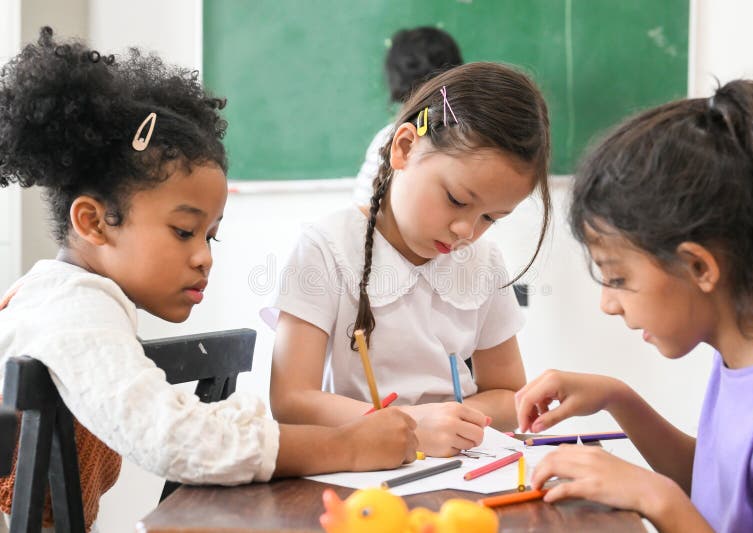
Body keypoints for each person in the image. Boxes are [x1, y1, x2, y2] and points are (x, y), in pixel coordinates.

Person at [0, 27, 417, 532]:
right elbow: (175, 438)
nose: (204, 258)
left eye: (210, 237)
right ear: (92, 221)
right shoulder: (72, 309)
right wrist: (347, 445)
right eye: (183, 231)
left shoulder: (79, 300)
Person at [515, 80, 753, 532]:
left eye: (618, 279)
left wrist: (655, 497)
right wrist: (618, 399)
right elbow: (719, 492)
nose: (608, 304)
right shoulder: (748, 349)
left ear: (698, 267)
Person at [269, 62, 551, 457]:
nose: (466, 230)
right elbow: (291, 401)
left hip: (461, 472)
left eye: (490, 217)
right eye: (456, 200)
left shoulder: (482, 260)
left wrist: (453, 421)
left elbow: (508, 394)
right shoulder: (326, 247)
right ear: (404, 148)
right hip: (364, 477)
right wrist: (415, 426)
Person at [352, 26, 462, 205]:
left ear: (395, 77)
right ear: (457, 72)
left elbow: (362, 208)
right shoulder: (467, 134)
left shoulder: (388, 137)